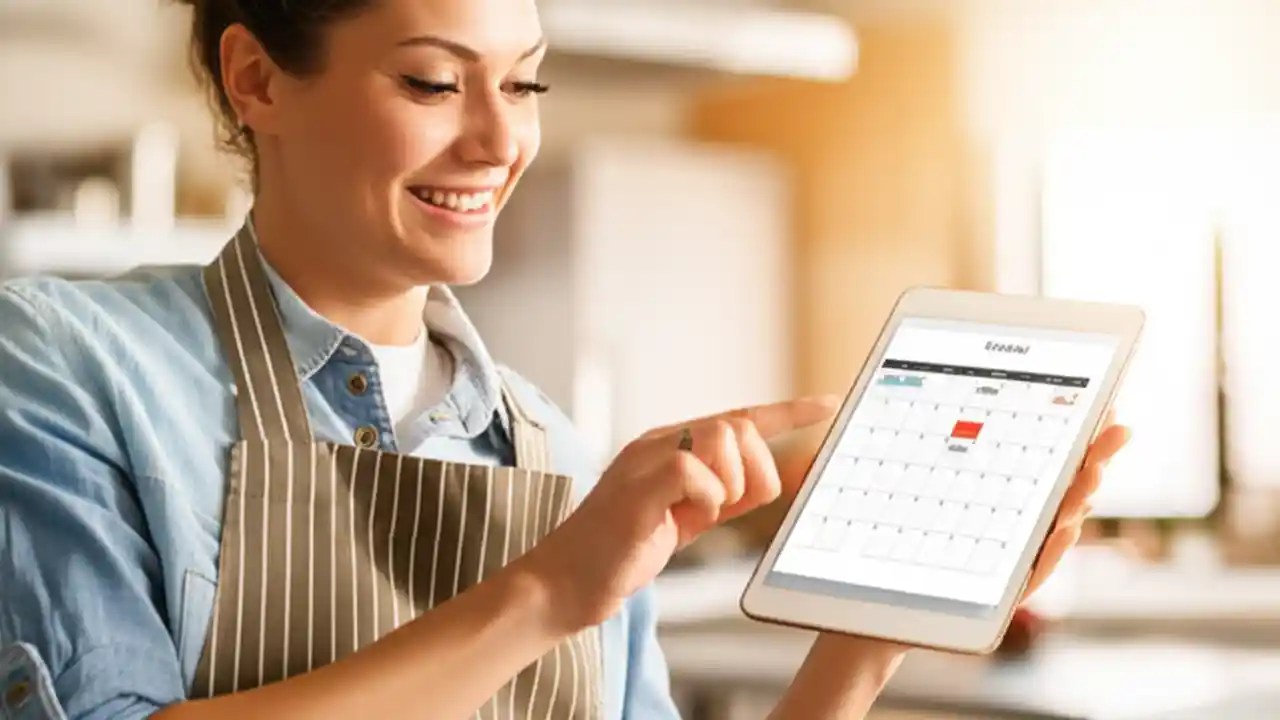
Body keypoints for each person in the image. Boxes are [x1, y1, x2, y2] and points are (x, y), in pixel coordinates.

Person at [0, 0, 1130, 718]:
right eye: (435, 82)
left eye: (525, 81)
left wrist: (863, 649)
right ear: (256, 79)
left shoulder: (556, 452)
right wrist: (548, 590)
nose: (501, 139)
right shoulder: (67, 369)